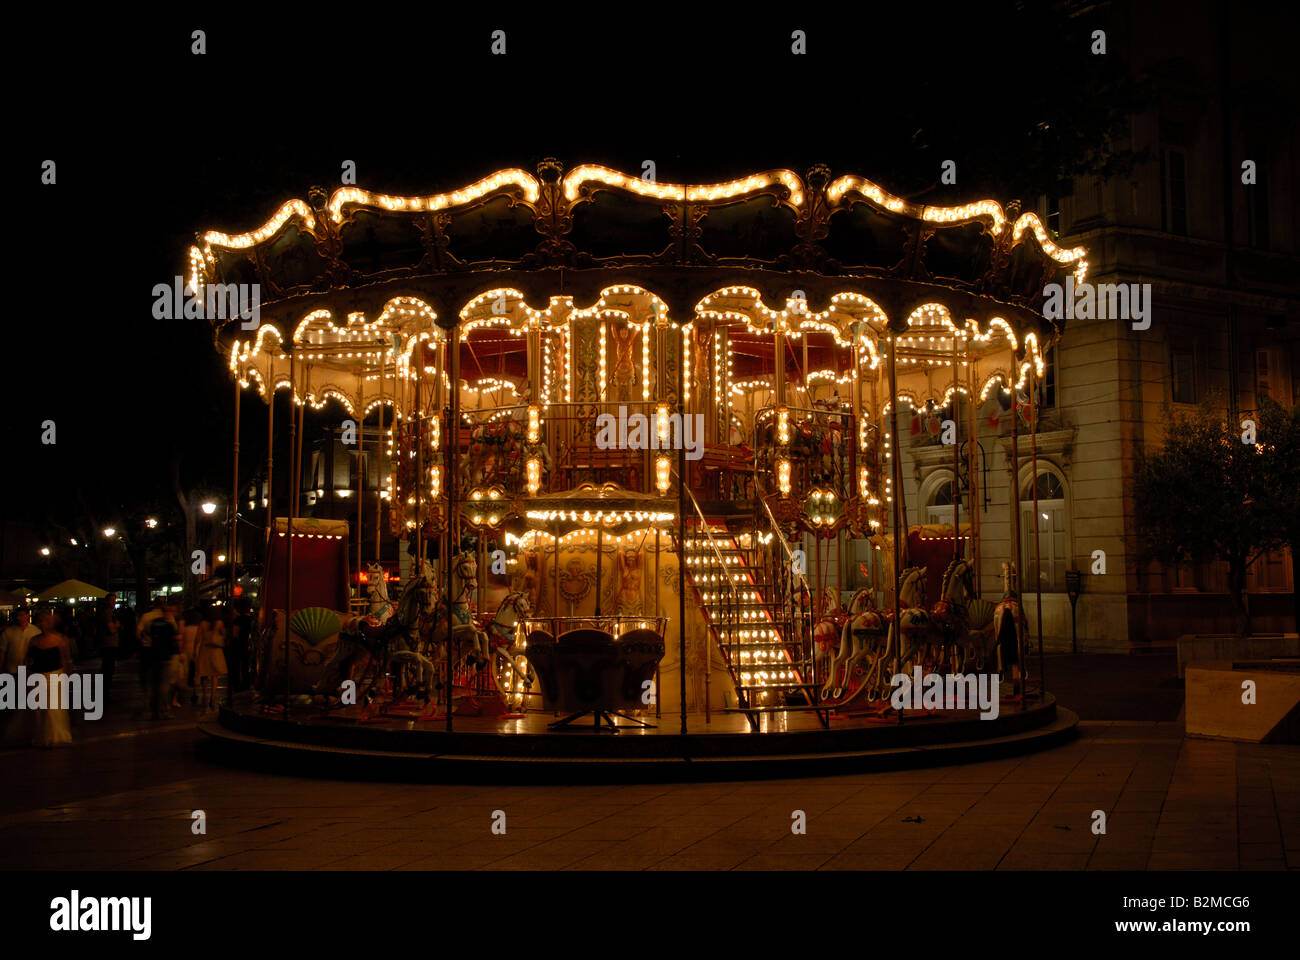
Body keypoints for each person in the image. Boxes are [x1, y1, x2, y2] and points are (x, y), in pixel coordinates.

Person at [27, 612, 73, 747]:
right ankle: (42, 736)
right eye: (40, 622)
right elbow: (28, 659)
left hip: (54, 675)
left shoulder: (60, 639)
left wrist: (67, 675)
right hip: (37, 676)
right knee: (40, 708)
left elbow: (65, 659)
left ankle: (55, 735)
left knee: (53, 708)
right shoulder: (34, 640)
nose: (43, 624)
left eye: (46, 622)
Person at [144, 602, 180, 720]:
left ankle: (155, 709)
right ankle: (163, 709)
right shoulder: (169, 625)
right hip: (165, 657)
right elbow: (174, 640)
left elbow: (147, 633)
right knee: (164, 686)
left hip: (153, 656)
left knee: (155, 685)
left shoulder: (153, 623)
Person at [195, 606, 228, 711]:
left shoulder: (203, 623)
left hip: (205, 650)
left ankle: (204, 694)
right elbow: (225, 634)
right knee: (214, 675)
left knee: (204, 674)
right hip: (215, 651)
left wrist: (194, 651)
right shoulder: (219, 623)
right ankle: (212, 697)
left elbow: (198, 638)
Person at [1, 606, 40, 673]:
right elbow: (2, 651)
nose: (18, 618)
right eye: (17, 615)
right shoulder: (8, 631)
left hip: (29, 670)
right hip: (11, 668)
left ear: (28, 615)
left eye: (21, 615)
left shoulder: (35, 631)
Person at [174, 608, 200, 708]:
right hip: (196, 651)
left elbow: (181, 641)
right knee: (197, 673)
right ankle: (195, 692)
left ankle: (179, 693)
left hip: (186, 651)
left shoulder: (185, 629)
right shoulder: (198, 628)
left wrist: (180, 651)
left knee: (184, 673)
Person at [98, 597, 121, 705]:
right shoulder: (108, 613)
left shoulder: (110, 613)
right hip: (108, 645)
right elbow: (111, 629)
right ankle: (104, 695)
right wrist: (117, 626)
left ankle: (105, 694)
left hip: (108, 644)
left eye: (114, 600)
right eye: (112, 600)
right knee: (108, 670)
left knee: (108, 670)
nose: (114, 602)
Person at [228, 600, 252, 694]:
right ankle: (246, 684)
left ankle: (237, 684)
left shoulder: (239, 620)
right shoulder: (251, 619)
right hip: (248, 644)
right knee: (246, 665)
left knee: (236, 666)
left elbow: (235, 633)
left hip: (238, 645)